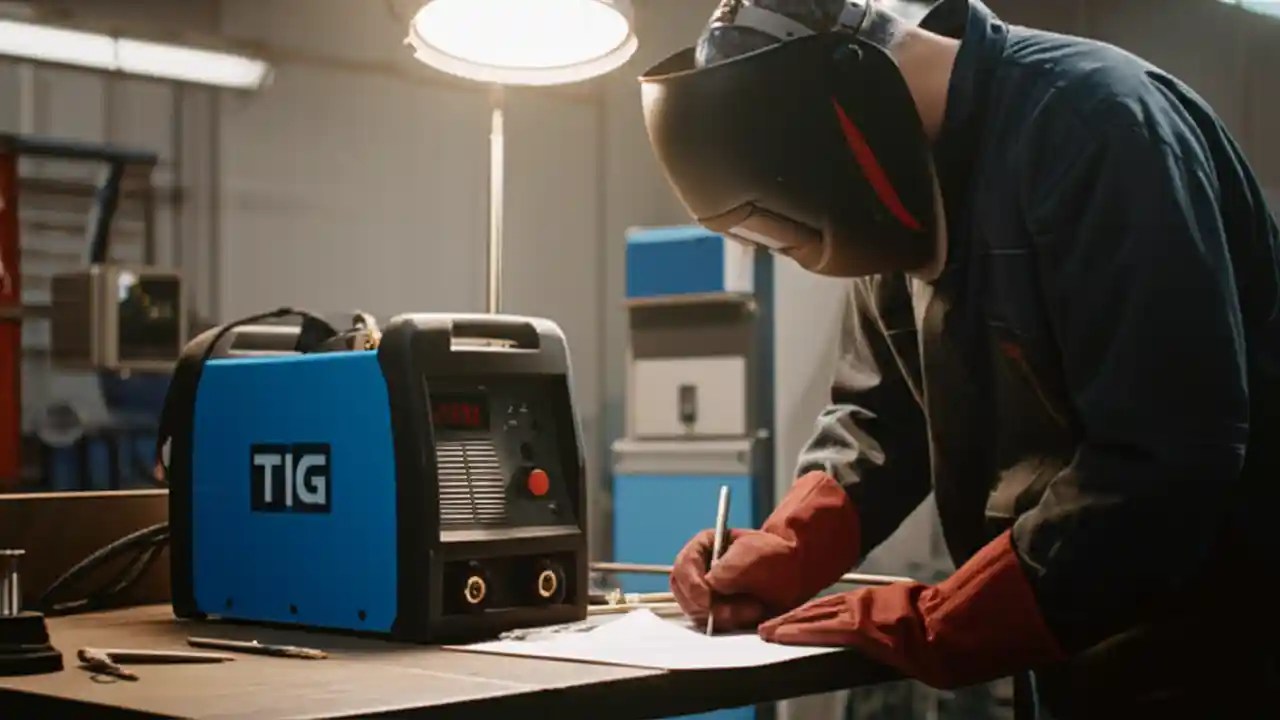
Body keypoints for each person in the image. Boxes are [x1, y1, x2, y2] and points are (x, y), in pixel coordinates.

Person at [637, 0, 1280, 716]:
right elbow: (880, 415)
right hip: (1074, 651)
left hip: (1224, 653)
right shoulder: (897, 183)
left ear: (842, 107)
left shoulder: (1099, 129)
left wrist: (945, 620)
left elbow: (1167, 456)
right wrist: (786, 548)